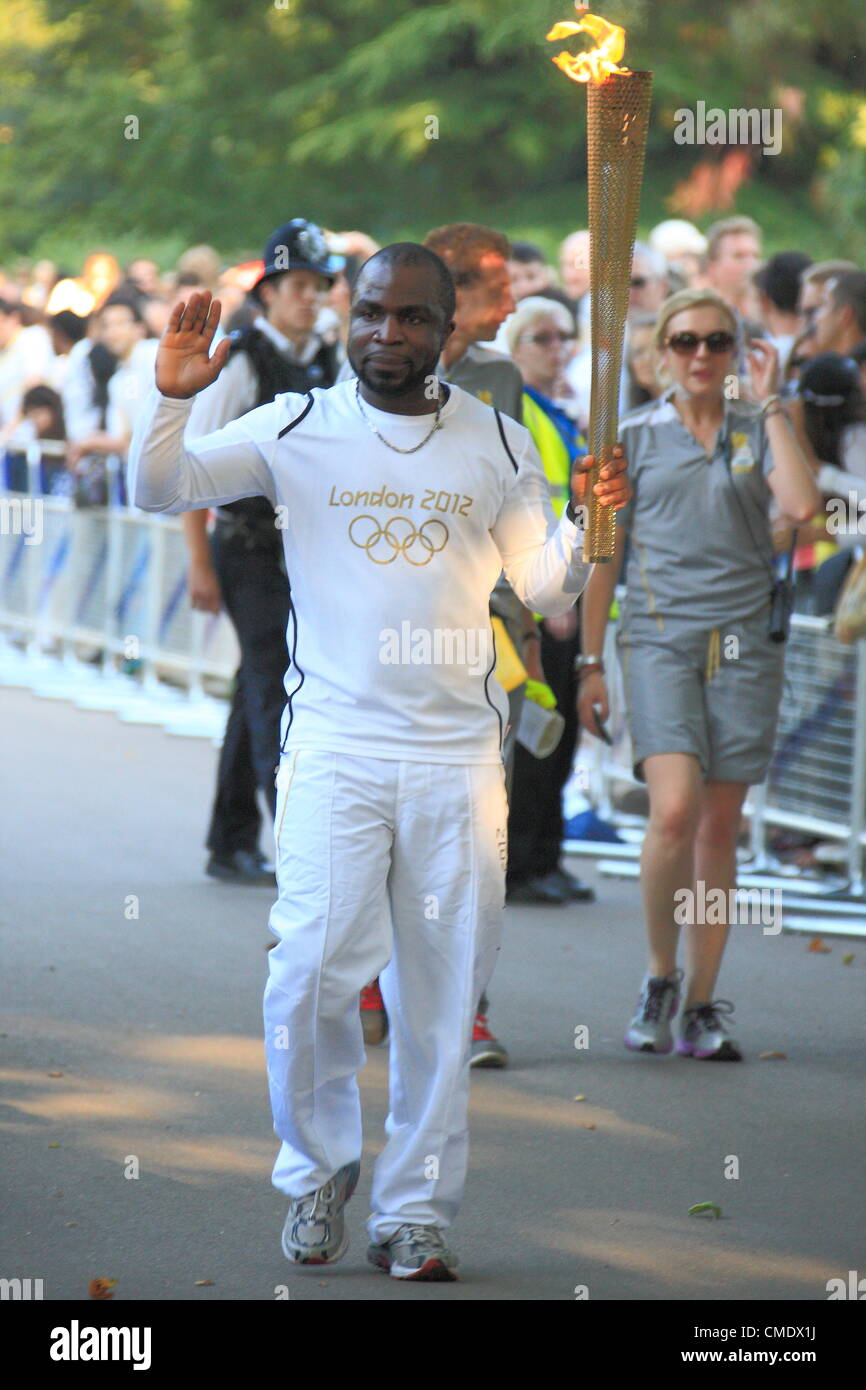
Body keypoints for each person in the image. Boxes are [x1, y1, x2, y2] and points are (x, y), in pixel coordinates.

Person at [129, 245, 630, 1280]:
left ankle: (414, 1210)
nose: (384, 334)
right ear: (348, 320)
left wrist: (589, 525)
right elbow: (155, 484)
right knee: (308, 973)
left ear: (446, 329)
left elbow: (539, 584)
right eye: (369, 314)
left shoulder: (493, 439)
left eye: (410, 317)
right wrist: (169, 398)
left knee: (441, 999)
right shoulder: (297, 426)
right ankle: (315, 1171)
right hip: (336, 751)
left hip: (457, 760)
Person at [578, 288, 819, 1061]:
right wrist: (589, 661)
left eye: (718, 342)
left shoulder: (761, 425)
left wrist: (776, 399)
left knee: (721, 826)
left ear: (739, 350)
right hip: (658, 640)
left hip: (745, 642)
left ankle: (705, 1001)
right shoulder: (635, 439)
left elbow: (804, 505)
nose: (702, 356)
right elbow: (603, 556)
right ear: (661, 358)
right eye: (685, 343)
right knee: (673, 812)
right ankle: (660, 976)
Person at [182, 219, 342, 886]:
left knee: (257, 682)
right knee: (275, 684)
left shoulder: (331, 358)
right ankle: (295, 846)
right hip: (245, 547)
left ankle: (230, 838)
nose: (310, 297)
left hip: (299, 549)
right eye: (298, 285)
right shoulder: (241, 358)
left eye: (318, 285)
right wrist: (198, 562)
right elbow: (191, 465)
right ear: (269, 291)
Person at [504, 296, 592, 905]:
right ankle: (523, 863)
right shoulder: (518, 413)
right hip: (544, 596)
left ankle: (546, 854)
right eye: (541, 338)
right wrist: (547, 603)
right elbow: (528, 515)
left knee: (557, 739)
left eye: (564, 336)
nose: (556, 347)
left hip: (570, 592)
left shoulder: (557, 410)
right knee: (537, 737)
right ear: (514, 350)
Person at [703, 216, 763, 318]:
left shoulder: (770, 322)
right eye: (739, 256)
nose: (751, 263)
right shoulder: (704, 319)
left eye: (755, 256)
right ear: (712, 268)